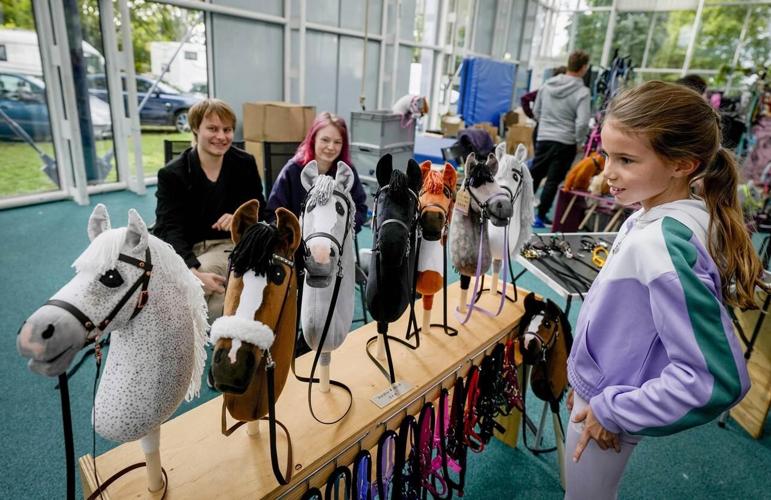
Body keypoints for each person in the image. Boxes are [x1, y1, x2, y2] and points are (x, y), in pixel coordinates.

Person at [564, 81, 765, 500]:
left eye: (626, 160)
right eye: (607, 155)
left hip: (609, 408)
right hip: (600, 391)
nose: (608, 173)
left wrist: (611, 409)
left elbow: (716, 380)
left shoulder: (660, 243)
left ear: (682, 164)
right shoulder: (651, 216)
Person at [154, 98, 267, 321]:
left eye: (227, 130)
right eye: (213, 129)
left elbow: (261, 211)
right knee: (203, 297)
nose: (221, 136)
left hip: (232, 245)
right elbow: (168, 229)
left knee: (212, 303)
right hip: (189, 251)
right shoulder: (172, 174)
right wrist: (192, 272)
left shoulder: (244, 163)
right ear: (196, 128)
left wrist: (239, 217)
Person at [266, 112, 368, 232]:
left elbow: (360, 208)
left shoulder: (345, 172)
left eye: (337, 142)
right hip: (298, 243)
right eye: (325, 140)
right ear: (313, 139)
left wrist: (343, 230)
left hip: (335, 243)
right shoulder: (292, 170)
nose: (331, 147)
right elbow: (273, 213)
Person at [530, 50, 591, 228]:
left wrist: (547, 126)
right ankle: (540, 217)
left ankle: (519, 211)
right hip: (566, 142)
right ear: (584, 68)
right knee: (552, 180)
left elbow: (536, 111)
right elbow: (582, 123)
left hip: (544, 137)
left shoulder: (547, 85)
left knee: (534, 176)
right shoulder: (583, 92)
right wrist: (578, 141)